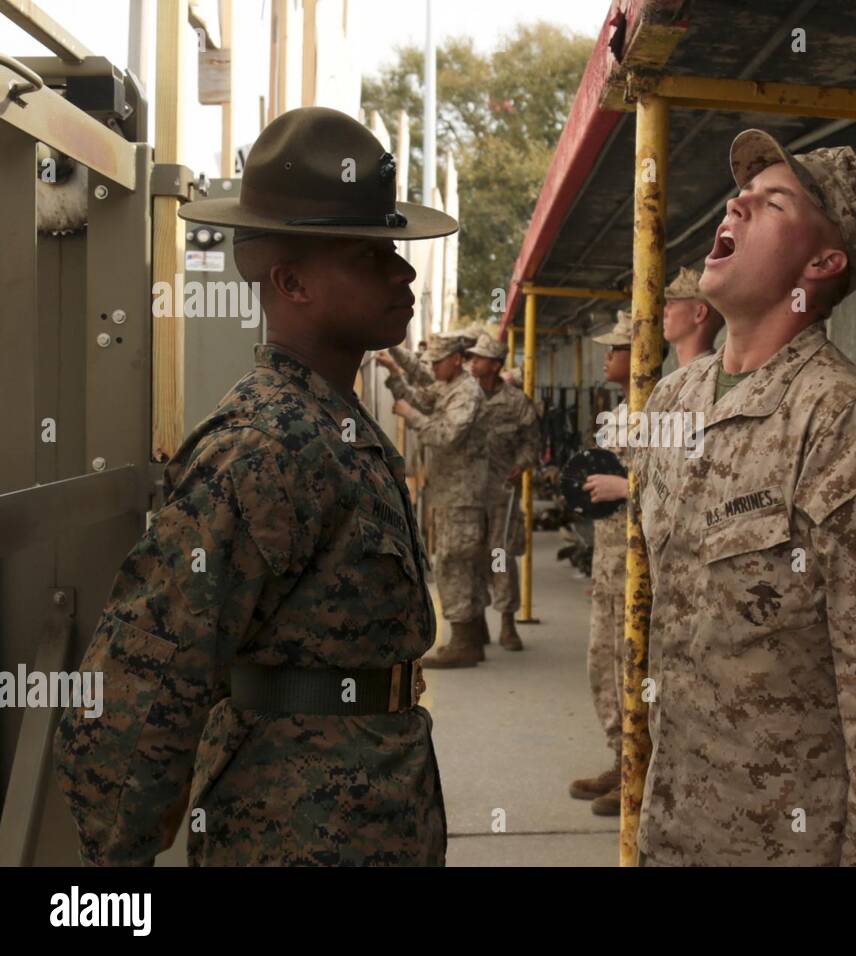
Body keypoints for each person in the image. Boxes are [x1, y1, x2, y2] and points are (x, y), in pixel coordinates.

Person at [55, 106, 456, 865]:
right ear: (292, 281)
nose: (403, 273)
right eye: (372, 256)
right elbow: (142, 677)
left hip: (374, 813)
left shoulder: (331, 420)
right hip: (293, 834)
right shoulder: (264, 443)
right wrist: (121, 860)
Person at [631, 130, 856, 865]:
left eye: (773, 200)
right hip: (676, 824)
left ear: (821, 263)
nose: (738, 201)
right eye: (742, 194)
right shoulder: (672, 400)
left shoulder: (849, 424)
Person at [569, 311, 635, 817]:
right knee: (605, 666)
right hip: (612, 564)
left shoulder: (670, 408)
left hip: (640, 566)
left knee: (635, 670)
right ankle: (622, 759)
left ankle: (640, 770)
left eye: (617, 347)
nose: (607, 356)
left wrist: (627, 488)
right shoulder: (626, 410)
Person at [391, 336, 491, 669]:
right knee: (462, 560)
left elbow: (447, 435)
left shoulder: (466, 392)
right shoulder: (450, 387)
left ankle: (463, 643)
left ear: (457, 359)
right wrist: (394, 374)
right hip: (453, 492)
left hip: (461, 495)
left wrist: (410, 417)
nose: (432, 367)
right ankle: (473, 635)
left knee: (453, 561)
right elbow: (420, 396)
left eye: (438, 362)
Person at [464, 332, 541, 650]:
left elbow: (532, 442)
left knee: (500, 556)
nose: (473, 362)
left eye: (479, 358)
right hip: (467, 494)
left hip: (501, 494)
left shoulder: (515, 401)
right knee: (471, 556)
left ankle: (508, 623)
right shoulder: (464, 395)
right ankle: (477, 621)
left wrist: (520, 465)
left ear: (494, 365)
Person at [662, 267, 723, 366]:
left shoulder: (708, 373)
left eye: (671, 304)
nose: (664, 313)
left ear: (699, 313)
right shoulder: (714, 371)